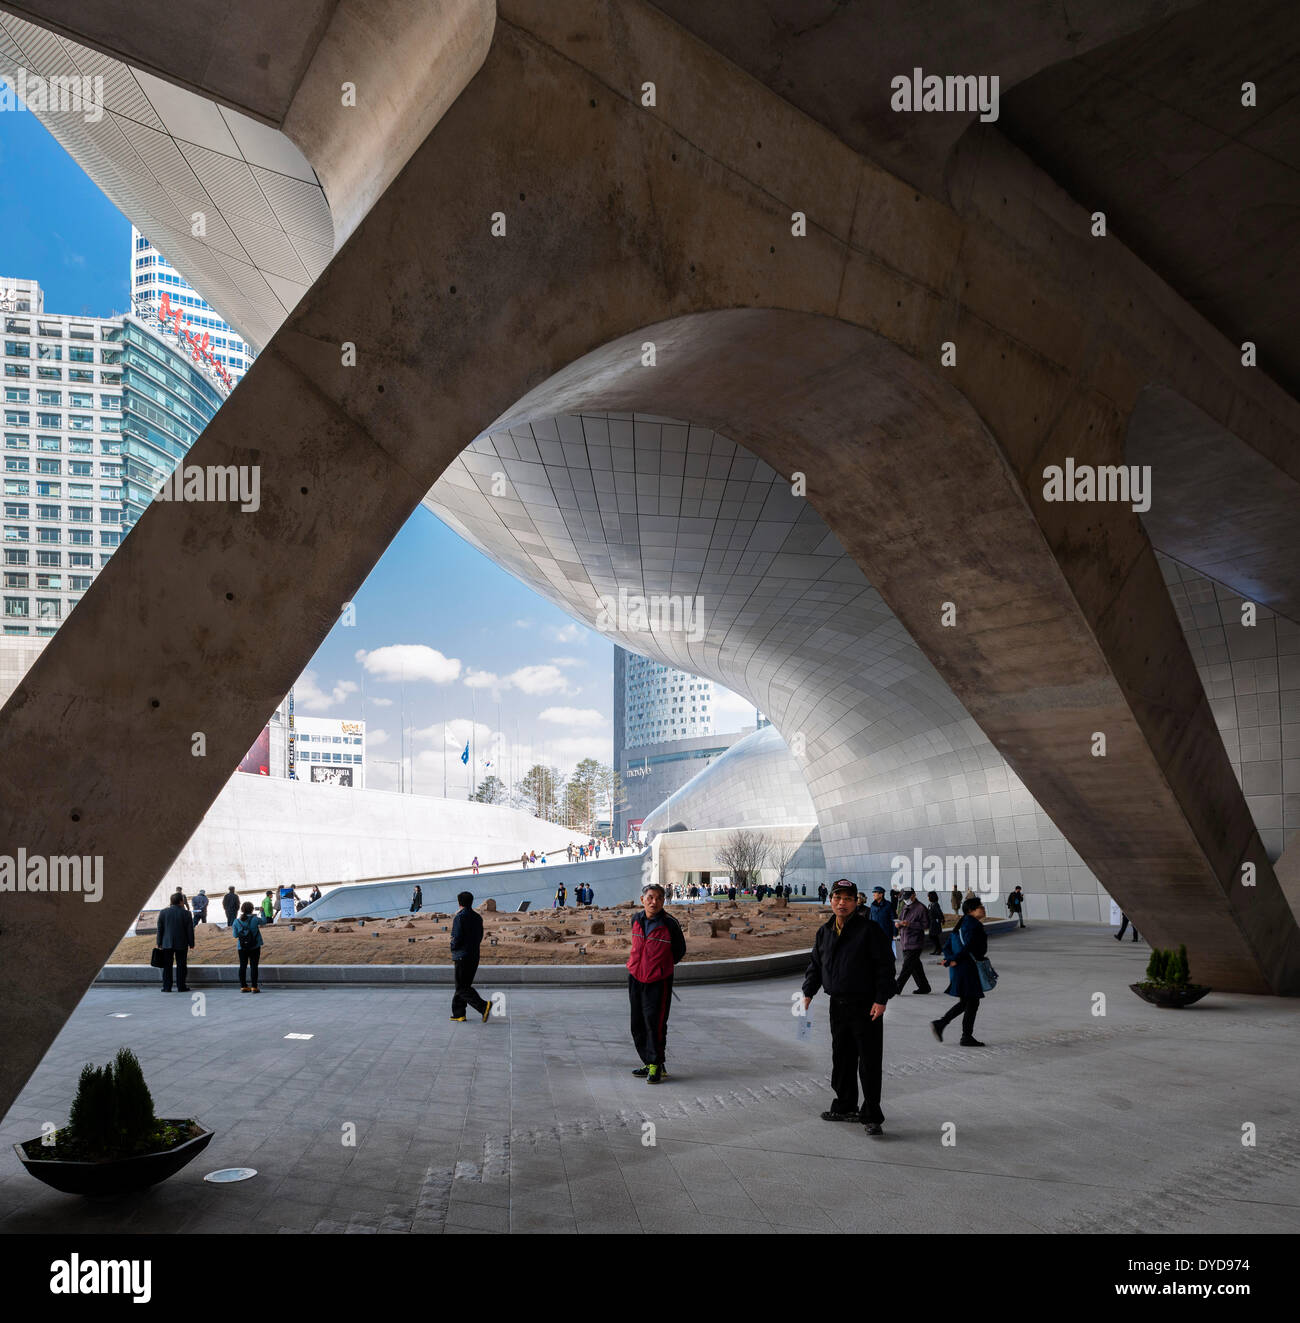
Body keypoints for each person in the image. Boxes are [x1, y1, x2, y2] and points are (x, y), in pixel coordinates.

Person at [801, 880, 894, 1135]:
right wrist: (808, 992)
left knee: (869, 1060)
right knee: (841, 1057)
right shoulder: (825, 931)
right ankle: (845, 1105)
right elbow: (816, 966)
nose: (842, 903)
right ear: (831, 900)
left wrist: (881, 999)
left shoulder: (870, 931)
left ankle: (871, 1114)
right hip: (838, 1005)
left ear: (856, 902)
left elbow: (885, 967)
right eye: (837, 897)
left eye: (848, 898)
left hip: (866, 1006)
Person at [627, 883, 686, 1084]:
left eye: (659, 898)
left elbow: (679, 951)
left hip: (658, 980)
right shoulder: (636, 919)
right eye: (650, 897)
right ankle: (650, 1061)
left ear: (663, 901)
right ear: (642, 899)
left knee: (655, 1023)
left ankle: (656, 1065)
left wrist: (661, 967)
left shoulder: (670, 923)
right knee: (638, 1023)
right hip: (636, 977)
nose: (654, 902)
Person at [932, 897, 989, 1046]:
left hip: (961, 968)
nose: (983, 908)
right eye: (980, 906)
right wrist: (956, 958)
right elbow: (969, 946)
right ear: (971, 911)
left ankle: (953, 1030)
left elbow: (948, 946)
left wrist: (951, 959)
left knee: (968, 1002)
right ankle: (951, 1029)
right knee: (971, 1002)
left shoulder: (962, 923)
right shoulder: (972, 924)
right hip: (968, 968)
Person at [449, 891, 491, 1022]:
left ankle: (483, 1006)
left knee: (461, 987)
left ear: (459, 902)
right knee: (463, 985)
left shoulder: (459, 917)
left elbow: (456, 937)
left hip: (462, 955)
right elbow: (479, 936)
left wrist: (453, 947)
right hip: (474, 955)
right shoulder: (477, 917)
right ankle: (459, 1013)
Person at [894, 889, 932, 994]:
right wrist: (899, 924)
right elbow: (901, 919)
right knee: (915, 967)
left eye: (907, 898)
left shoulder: (921, 908)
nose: (905, 900)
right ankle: (924, 987)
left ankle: (896, 988)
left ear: (914, 895)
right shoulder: (905, 906)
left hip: (915, 942)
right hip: (905, 941)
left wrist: (909, 924)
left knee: (906, 967)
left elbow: (926, 925)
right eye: (904, 899)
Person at [156, 891, 194, 993]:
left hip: (166, 943)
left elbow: (160, 929)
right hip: (181, 943)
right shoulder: (186, 913)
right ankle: (181, 987)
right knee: (181, 965)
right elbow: (189, 930)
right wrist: (191, 943)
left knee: (167, 966)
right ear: (181, 901)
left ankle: (167, 987)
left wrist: (159, 942)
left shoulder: (163, 912)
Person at [232, 900, 268, 992]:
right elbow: (264, 921)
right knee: (254, 966)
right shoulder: (255, 919)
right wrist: (262, 911)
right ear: (252, 910)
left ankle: (243, 986)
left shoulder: (236, 921)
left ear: (242, 910)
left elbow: (235, 935)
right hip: (255, 946)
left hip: (242, 947)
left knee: (242, 966)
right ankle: (254, 987)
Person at [926, 890, 944, 955]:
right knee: (933, 936)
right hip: (931, 922)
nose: (927, 897)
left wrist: (941, 919)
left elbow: (939, 912)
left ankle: (938, 949)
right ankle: (938, 949)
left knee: (932, 936)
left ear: (931, 897)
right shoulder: (930, 904)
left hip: (934, 923)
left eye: (928, 896)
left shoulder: (935, 904)